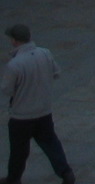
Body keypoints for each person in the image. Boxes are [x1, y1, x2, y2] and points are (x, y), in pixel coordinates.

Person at [1, 24, 73, 184]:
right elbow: (56, 72)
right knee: (51, 143)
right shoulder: (45, 53)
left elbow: (7, 90)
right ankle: (66, 173)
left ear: (14, 41)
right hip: (43, 111)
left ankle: (13, 179)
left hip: (22, 116)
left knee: (19, 150)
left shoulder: (15, 64)